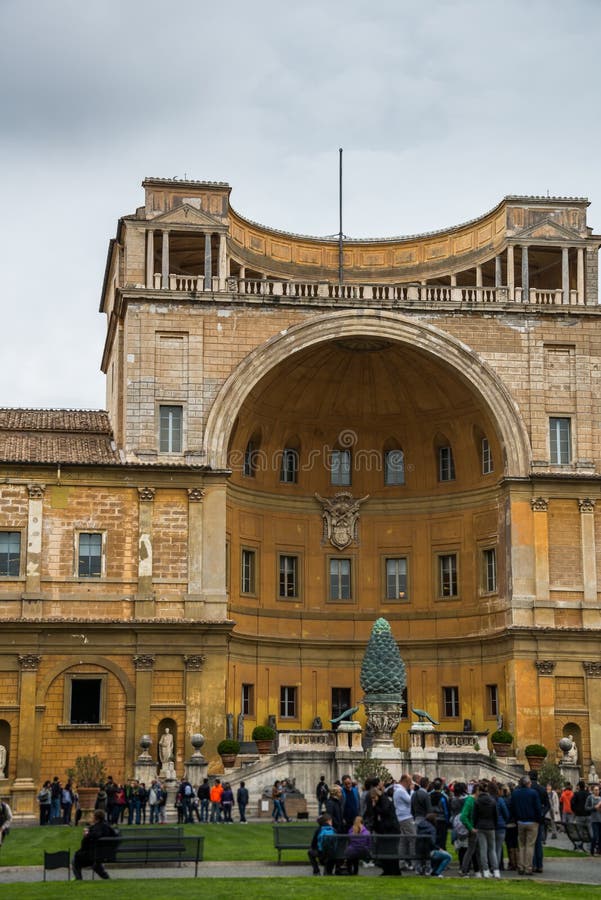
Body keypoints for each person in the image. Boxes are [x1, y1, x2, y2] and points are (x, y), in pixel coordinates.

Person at [509, 775, 542, 876]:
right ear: (528, 783)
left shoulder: (515, 793)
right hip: (532, 821)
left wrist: (516, 818)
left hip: (520, 821)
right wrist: (538, 819)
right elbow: (538, 808)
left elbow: (512, 807)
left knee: (521, 845)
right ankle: (528, 867)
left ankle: (521, 866)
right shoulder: (533, 793)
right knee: (530, 845)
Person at [72, 809, 118, 880]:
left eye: (93, 816)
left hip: (94, 854)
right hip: (106, 853)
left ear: (96, 818)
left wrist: (87, 834)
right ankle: (106, 878)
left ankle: (78, 879)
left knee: (75, 859)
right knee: (96, 865)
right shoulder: (107, 826)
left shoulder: (99, 828)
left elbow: (95, 835)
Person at [473, 781, 499, 878]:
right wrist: (494, 825)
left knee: (483, 850)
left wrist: (475, 825)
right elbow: (496, 815)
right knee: (492, 849)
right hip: (491, 826)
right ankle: (496, 870)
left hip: (480, 826)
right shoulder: (493, 801)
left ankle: (485, 870)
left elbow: (474, 816)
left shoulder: (477, 802)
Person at [416, 812, 452, 877]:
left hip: (419, 851)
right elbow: (432, 843)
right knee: (448, 857)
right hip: (428, 852)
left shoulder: (419, 826)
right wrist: (439, 848)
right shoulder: (432, 829)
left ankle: (434, 870)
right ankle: (437, 873)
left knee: (440, 854)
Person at [529, 771, 549, 873]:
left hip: (529, 818)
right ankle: (539, 865)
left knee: (530, 843)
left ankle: (533, 864)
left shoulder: (528, 789)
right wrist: (542, 813)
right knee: (538, 843)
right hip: (539, 818)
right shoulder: (542, 789)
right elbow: (547, 805)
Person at [586, 784, 601, 855]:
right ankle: (592, 850)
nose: (597, 791)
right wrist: (594, 807)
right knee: (595, 836)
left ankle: (599, 851)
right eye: (595, 790)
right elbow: (586, 808)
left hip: (600, 819)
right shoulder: (590, 798)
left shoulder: (600, 798)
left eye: (598, 790)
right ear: (593, 790)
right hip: (593, 820)